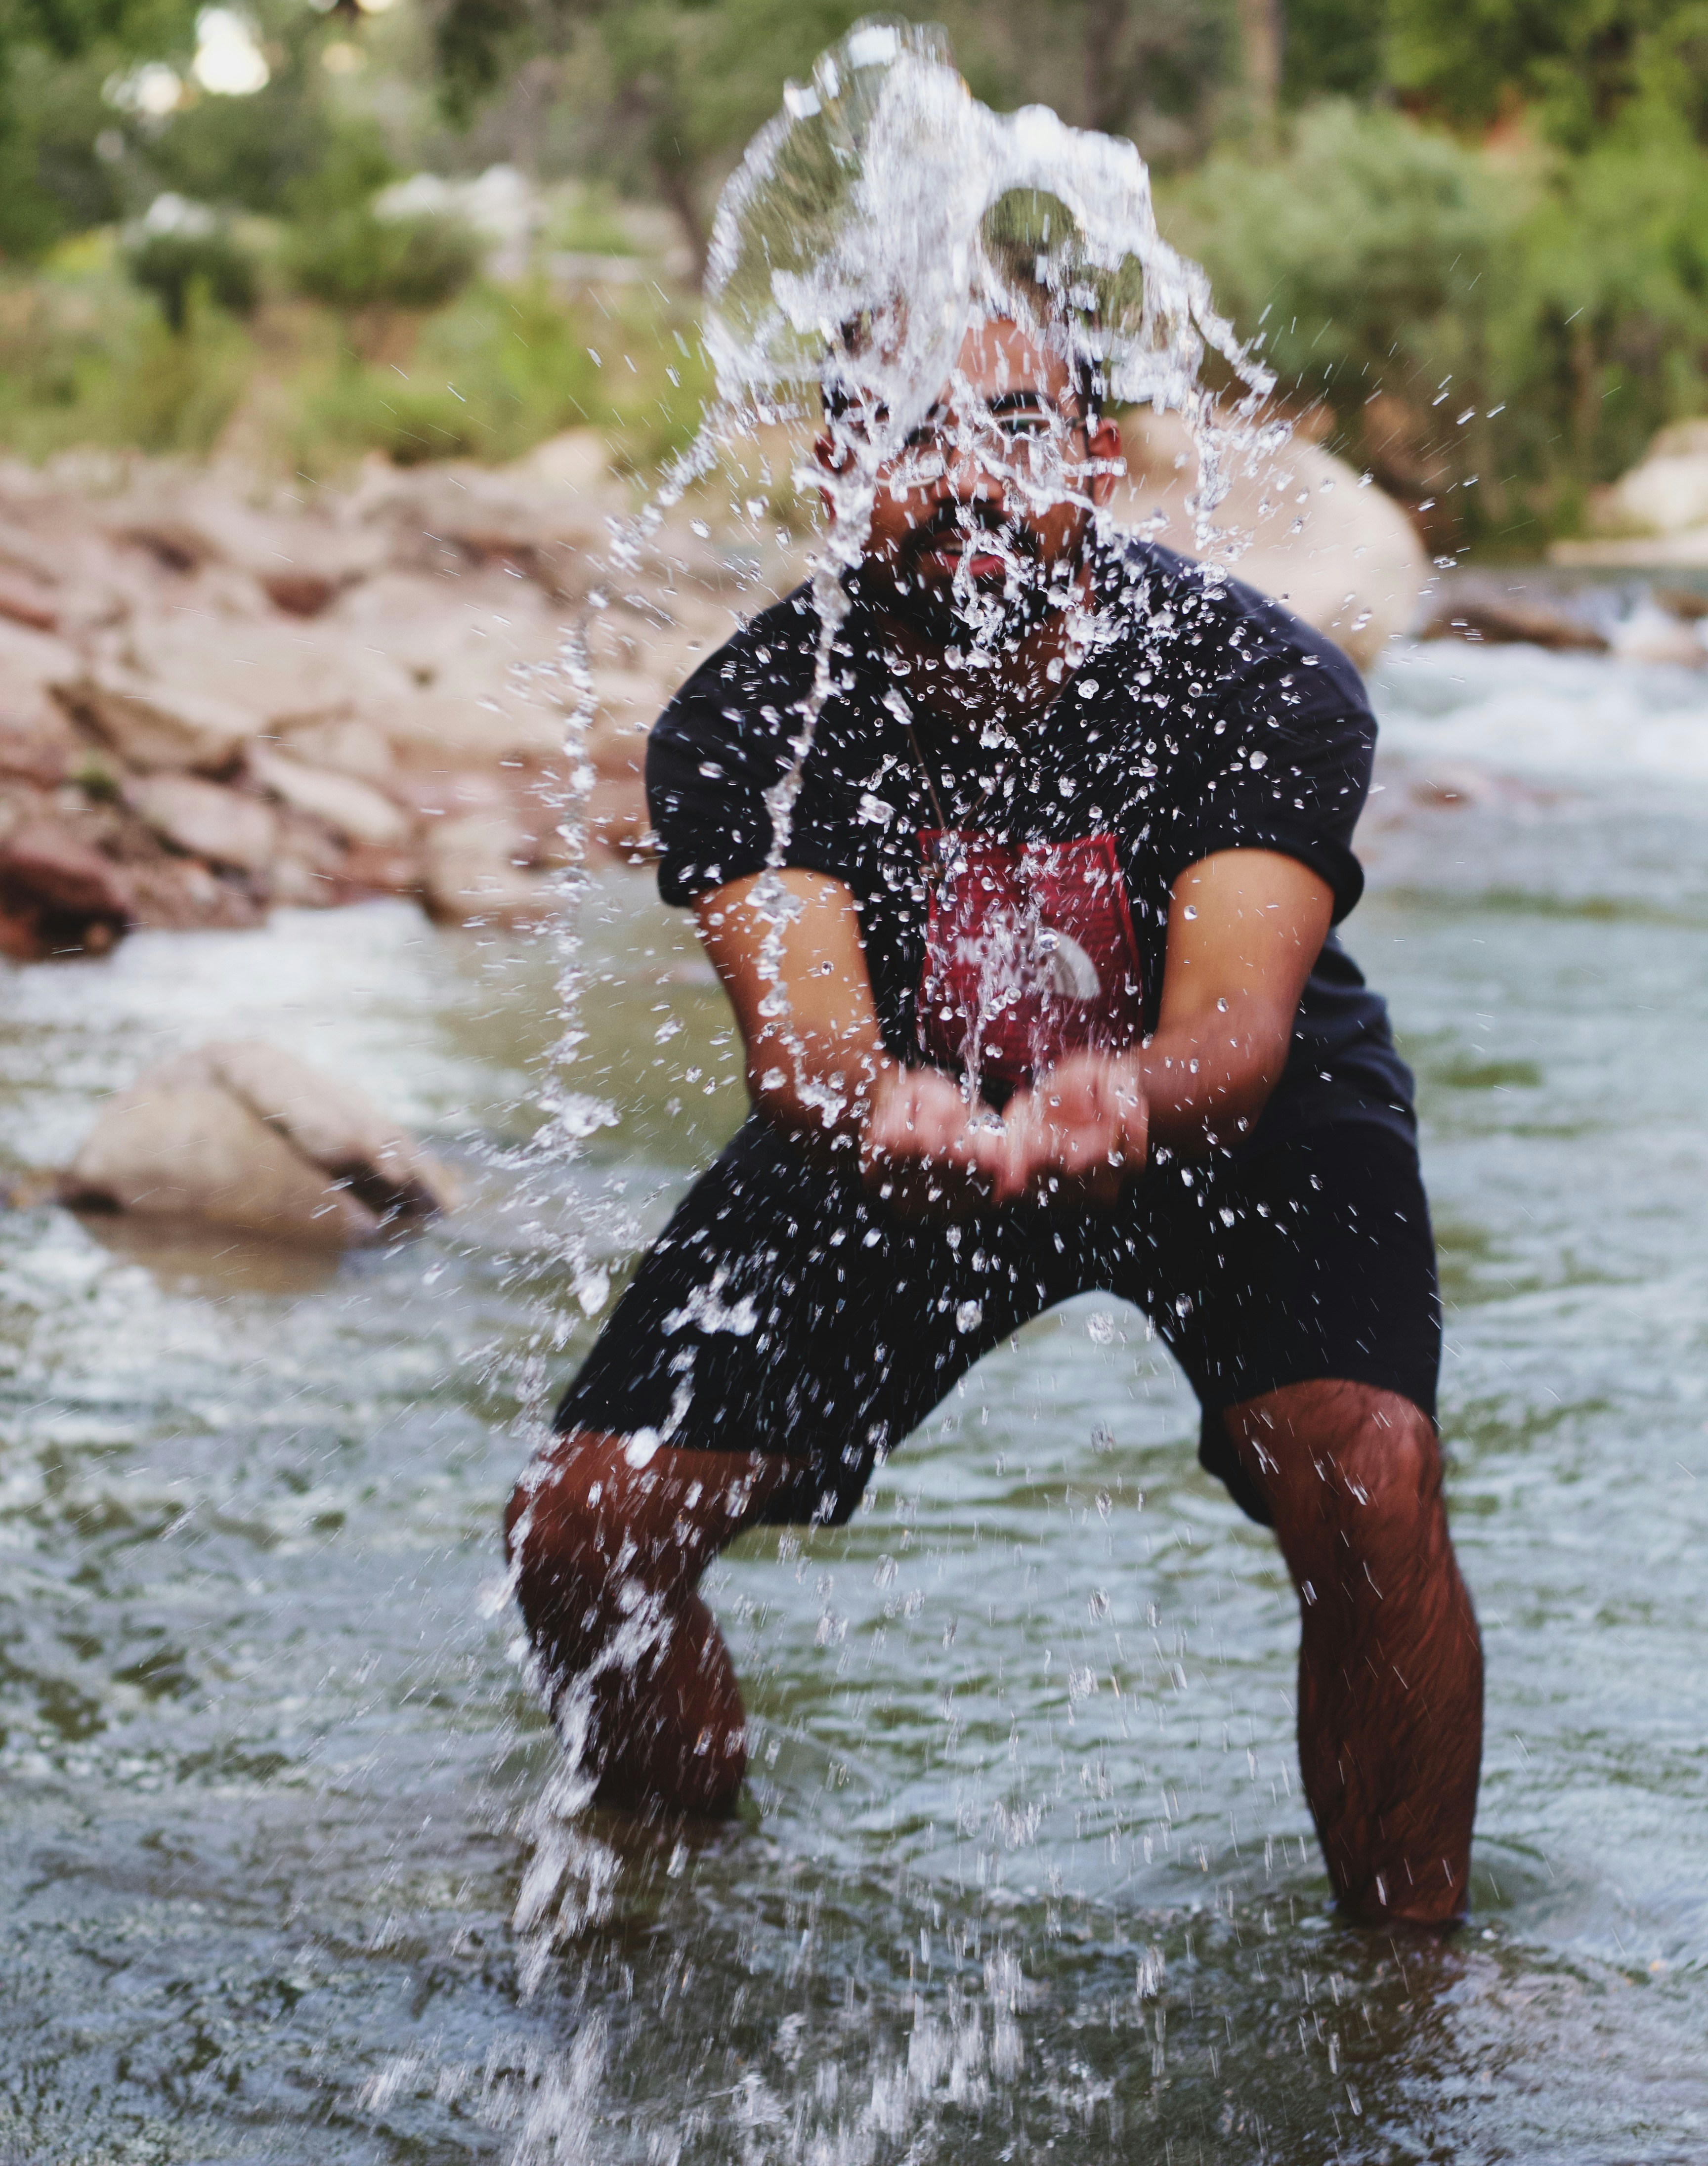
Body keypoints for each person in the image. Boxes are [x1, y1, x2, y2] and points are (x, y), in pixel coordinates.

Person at [506, 314, 1483, 1926]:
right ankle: (676, 1897)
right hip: (903, 1131)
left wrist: (1129, 1090)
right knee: (582, 1525)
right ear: (837, 474)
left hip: (1227, 1119)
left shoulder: (1248, 674)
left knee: (1369, 1478)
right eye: (898, 436)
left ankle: (1412, 1985)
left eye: (1015, 428)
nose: (960, 472)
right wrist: (873, 1102)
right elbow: (806, 1049)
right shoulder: (759, 716)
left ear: (1094, 464)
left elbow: (1235, 1035)